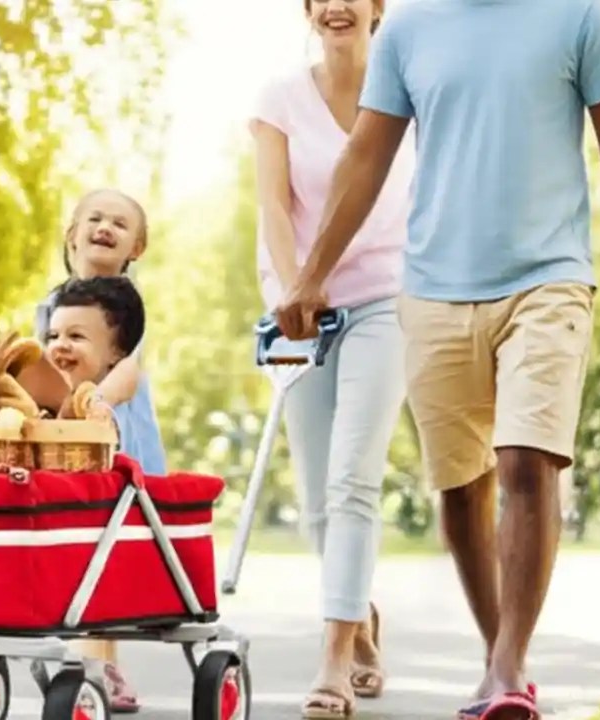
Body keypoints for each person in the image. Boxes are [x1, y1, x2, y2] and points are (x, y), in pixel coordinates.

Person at [275, 0, 600, 717]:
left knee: (527, 459)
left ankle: (509, 668)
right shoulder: (412, 30)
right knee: (461, 489)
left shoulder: (581, 15)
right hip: (432, 290)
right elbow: (368, 153)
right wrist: (312, 275)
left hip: (548, 279)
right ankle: (501, 665)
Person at [248, 0, 413, 717]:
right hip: (297, 307)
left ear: (380, 8)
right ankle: (361, 617)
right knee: (318, 496)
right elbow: (274, 207)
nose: (337, 6)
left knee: (353, 479)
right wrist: (294, 294)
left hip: (387, 297)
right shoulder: (278, 97)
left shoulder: (411, 86)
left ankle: (334, 661)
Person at [30, 188, 167, 713]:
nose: (105, 226)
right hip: (69, 444)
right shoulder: (51, 307)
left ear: (136, 247)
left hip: (120, 440)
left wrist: (96, 399)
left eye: (119, 222)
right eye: (94, 218)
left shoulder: (127, 310)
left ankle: (101, 663)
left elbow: (129, 370)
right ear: (72, 235)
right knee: (78, 546)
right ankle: (84, 660)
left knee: (107, 552)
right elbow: (41, 368)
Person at [45, 276, 162, 473]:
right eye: (53, 336)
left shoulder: (111, 409)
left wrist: (99, 402)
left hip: (114, 501)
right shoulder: (57, 404)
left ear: (116, 352)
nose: (60, 345)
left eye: (76, 336)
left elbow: (129, 372)